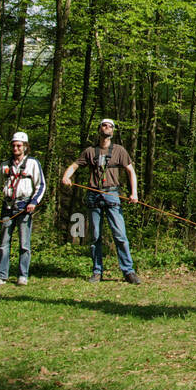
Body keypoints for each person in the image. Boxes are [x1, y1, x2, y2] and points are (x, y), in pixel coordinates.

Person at [62, 118, 141, 284]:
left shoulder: (119, 150)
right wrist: (66, 176)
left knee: (120, 235)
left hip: (112, 194)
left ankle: (128, 271)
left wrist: (134, 193)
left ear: (113, 131)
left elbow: (130, 171)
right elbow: (75, 165)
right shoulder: (90, 151)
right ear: (99, 129)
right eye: (104, 125)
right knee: (95, 237)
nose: (107, 128)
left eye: (110, 126)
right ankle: (97, 272)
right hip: (94, 196)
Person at [0, 132, 46, 287]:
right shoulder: (5, 165)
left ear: (25, 147)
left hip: (24, 207)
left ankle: (22, 275)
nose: (15, 148)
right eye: (13, 145)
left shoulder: (33, 164)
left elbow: (41, 185)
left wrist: (34, 202)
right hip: (7, 206)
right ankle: (1, 275)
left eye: (19, 145)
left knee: (24, 244)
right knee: (3, 243)